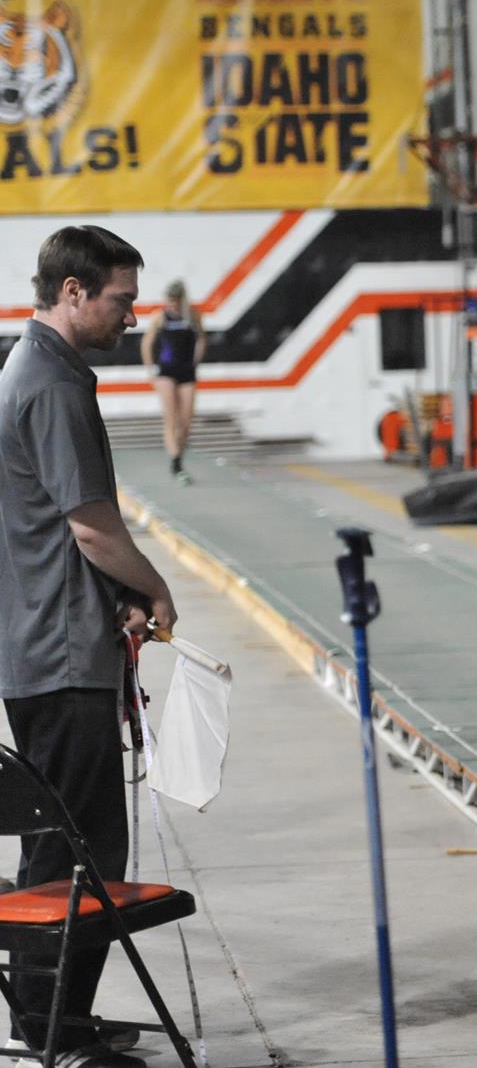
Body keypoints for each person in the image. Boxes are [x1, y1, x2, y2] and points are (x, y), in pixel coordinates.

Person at [0, 225, 179, 1065]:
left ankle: (56, 1019)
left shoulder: (37, 368)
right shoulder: (50, 384)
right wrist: (153, 587)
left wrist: (116, 594)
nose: (130, 316)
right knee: (74, 850)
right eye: (120, 299)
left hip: (48, 639)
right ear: (72, 292)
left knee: (71, 841)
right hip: (60, 653)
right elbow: (92, 526)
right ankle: (51, 1030)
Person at [139, 279, 204, 485]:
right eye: (170, 301)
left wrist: (195, 362)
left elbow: (201, 338)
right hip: (166, 371)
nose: (173, 305)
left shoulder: (192, 316)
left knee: (185, 422)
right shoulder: (160, 317)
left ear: (183, 300)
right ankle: (176, 463)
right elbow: (147, 343)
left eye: (176, 301)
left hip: (187, 371)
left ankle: (179, 458)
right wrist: (151, 370)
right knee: (171, 419)